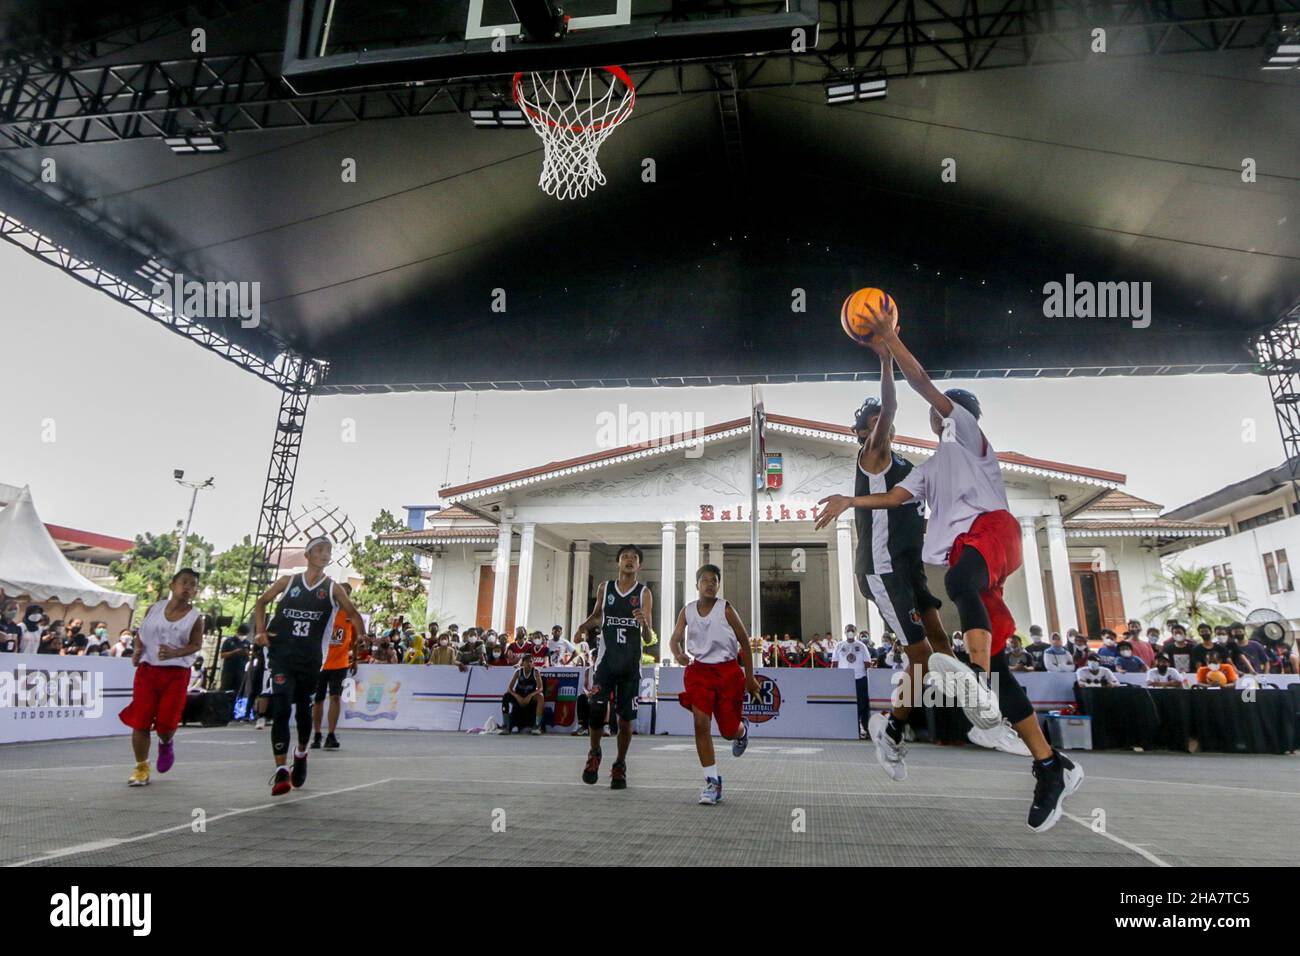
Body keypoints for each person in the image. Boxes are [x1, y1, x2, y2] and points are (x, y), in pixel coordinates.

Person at [817, 304, 1082, 831]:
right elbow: (893, 491)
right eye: (873, 427)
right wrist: (849, 503)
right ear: (865, 435)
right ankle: (1049, 764)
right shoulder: (884, 458)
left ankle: (915, 720)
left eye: (883, 424)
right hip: (893, 571)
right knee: (943, 656)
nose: (883, 428)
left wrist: (890, 344)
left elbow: (911, 391)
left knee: (946, 641)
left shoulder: (965, 440)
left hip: (979, 546)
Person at [254, 537, 366, 796]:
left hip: (311, 658)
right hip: (282, 655)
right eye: (320, 549)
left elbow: (353, 613)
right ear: (307, 554)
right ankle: (281, 770)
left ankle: (301, 754)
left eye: (328, 550)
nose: (325, 553)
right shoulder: (288, 582)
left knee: (303, 710)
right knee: (281, 707)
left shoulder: (332, 588)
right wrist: (260, 631)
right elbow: (261, 602)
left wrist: (361, 634)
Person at [669, 563, 760, 805]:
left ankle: (741, 731)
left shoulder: (725, 608)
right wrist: (678, 653)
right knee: (701, 723)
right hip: (700, 672)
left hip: (728, 672)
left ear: (719, 585)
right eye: (705, 580)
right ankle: (712, 781)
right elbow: (674, 640)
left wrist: (750, 678)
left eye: (714, 580)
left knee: (728, 732)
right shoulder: (687, 611)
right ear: (697, 585)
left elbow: (744, 642)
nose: (709, 584)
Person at [575, 544, 653, 790]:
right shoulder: (605, 588)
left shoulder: (644, 593)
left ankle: (620, 764)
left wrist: (645, 626)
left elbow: (649, 638)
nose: (629, 560)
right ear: (618, 563)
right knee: (596, 711)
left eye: (634, 558)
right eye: (625, 557)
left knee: (626, 720)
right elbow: (598, 616)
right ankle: (594, 752)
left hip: (630, 666)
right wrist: (583, 627)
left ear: (639, 565)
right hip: (606, 663)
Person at [118, 568, 205, 786]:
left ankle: (166, 743)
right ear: (172, 586)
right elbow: (141, 633)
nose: (187, 588)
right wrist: (138, 649)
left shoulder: (195, 618)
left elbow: (196, 645)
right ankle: (141, 767)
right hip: (148, 671)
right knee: (141, 719)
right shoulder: (153, 609)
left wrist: (175, 652)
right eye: (184, 582)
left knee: (166, 723)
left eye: (192, 585)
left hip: (176, 673)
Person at [311, 583, 358, 750]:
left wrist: (355, 659)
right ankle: (316, 733)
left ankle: (331, 734)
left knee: (336, 697)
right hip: (320, 662)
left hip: (340, 663)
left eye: (347, 593)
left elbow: (354, 638)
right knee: (318, 699)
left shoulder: (349, 614)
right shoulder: (324, 611)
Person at [831, 626, 873, 738]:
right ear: (844, 632)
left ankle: (867, 729)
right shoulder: (839, 646)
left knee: (863, 705)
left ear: (855, 633)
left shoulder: (861, 646)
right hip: (844, 681)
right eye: (848, 630)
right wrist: (833, 678)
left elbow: (868, 663)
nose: (850, 632)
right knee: (847, 706)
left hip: (860, 679)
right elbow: (834, 663)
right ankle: (852, 730)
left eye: (852, 631)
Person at [499, 654, 546, 734]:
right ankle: (506, 727)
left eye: (531, 661)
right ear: (522, 663)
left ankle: (537, 726)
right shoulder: (518, 672)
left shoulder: (536, 672)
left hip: (529, 697)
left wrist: (530, 695)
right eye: (527, 661)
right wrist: (517, 696)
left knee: (540, 696)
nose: (529, 664)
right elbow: (509, 688)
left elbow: (540, 688)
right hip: (519, 697)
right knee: (506, 696)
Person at [219, 624, 251, 693]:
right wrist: (233, 652)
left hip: (241, 671)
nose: (242, 636)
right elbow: (222, 655)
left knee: (238, 691)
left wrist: (247, 654)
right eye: (242, 634)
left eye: (244, 634)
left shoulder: (247, 643)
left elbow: (249, 658)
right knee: (225, 690)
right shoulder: (229, 641)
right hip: (229, 671)